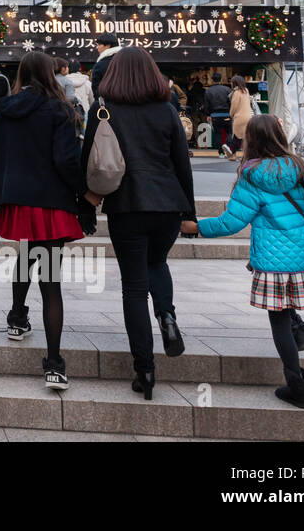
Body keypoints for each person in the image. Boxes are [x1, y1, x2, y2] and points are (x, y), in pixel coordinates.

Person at [184, 114, 304, 409]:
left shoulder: (252, 176)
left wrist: (197, 227)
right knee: (289, 305)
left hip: (271, 259)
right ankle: (299, 330)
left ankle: (298, 386)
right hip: (302, 255)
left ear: (250, 140)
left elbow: (232, 221)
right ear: (280, 135)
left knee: (278, 320)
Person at [81, 46, 195, 399]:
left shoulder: (103, 111)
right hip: (167, 203)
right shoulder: (167, 110)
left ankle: (144, 369)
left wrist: (86, 205)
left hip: (126, 204)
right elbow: (182, 163)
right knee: (157, 262)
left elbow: (89, 162)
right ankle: (168, 317)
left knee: (133, 286)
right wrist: (189, 213)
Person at [0, 51, 89, 391]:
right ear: (50, 74)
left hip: (17, 199)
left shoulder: (6, 108)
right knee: (51, 281)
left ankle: (17, 319)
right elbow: (66, 160)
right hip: (51, 202)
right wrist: (83, 195)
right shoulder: (60, 110)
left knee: (26, 256)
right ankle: (54, 364)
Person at [204, 73, 233, 157]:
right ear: (221, 79)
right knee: (231, 132)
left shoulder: (208, 91)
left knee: (218, 134)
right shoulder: (227, 89)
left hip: (215, 116)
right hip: (227, 114)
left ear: (212, 80)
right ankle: (227, 145)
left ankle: (221, 152)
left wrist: (208, 115)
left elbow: (206, 105)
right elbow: (231, 102)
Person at [228, 75, 252, 160]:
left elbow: (234, 106)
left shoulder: (236, 93)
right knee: (246, 137)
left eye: (232, 82)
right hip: (248, 116)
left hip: (239, 117)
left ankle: (233, 155)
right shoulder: (246, 91)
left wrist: (230, 114)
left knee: (236, 137)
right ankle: (246, 155)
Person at [89, 33, 120, 97]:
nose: (97, 47)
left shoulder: (100, 65)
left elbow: (96, 89)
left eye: (99, 44)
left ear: (108, 45)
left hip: (108, 102)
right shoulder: (127, 60)